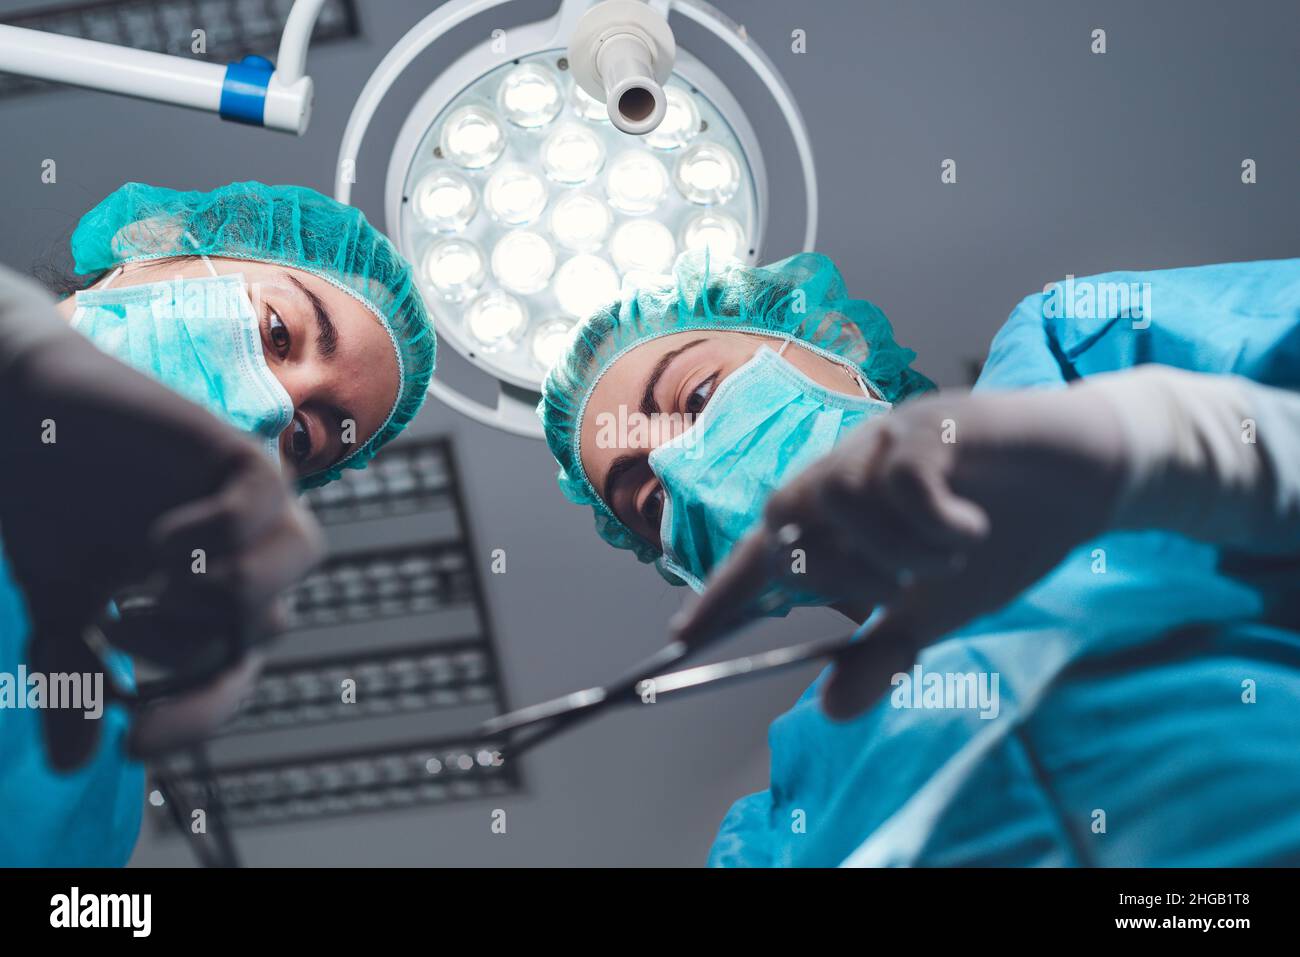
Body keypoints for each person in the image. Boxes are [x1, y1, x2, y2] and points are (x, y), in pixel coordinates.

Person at [538, 251, 1300, 866]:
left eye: (698, 396)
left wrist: (1183, 443)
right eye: (648, 503)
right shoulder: (774, 834)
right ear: (685, 568)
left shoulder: (1080, 352)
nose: (678, 465)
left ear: (835, 341)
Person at [0, 182, 436, 866]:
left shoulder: (91, 759)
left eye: (302, 440)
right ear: (156, 240)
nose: (270, 406)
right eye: (278, 332)